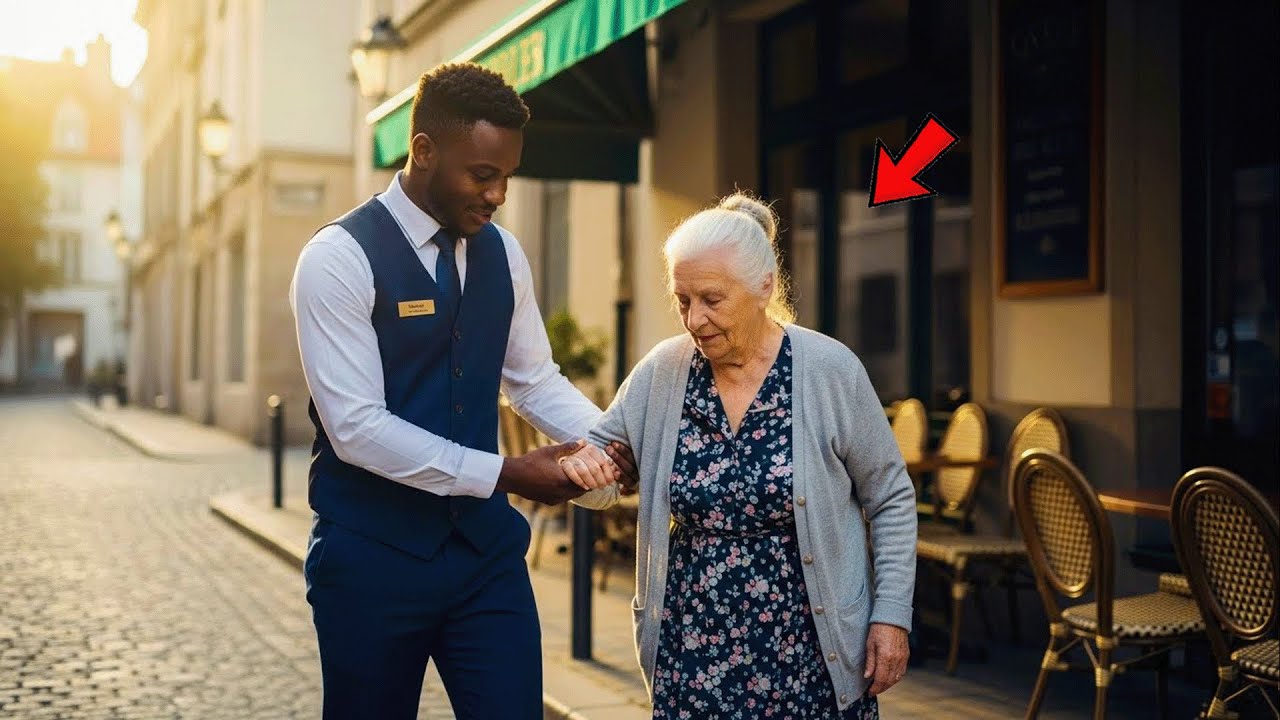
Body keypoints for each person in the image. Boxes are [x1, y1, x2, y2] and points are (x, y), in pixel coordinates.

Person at [289, 63, 629, 720]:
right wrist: (508, 472)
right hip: (371, 560)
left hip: (483, 560)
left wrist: (613, 444)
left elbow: (533, 381)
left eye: (508, 176)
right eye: (482, 175)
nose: (499, 193)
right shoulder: (336, 259)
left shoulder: (505, 255)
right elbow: (356, 427)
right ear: (422, 151)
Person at [561, 194, 917, 719]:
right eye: (682, 300)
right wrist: (582, 468)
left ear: (764, 287)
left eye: (711, 299)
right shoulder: (663, 372)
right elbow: (602, 470)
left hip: (808, 652)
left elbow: (889, 498)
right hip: (692, 651)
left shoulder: (828, 369)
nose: (694, 319)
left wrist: (891, 615)